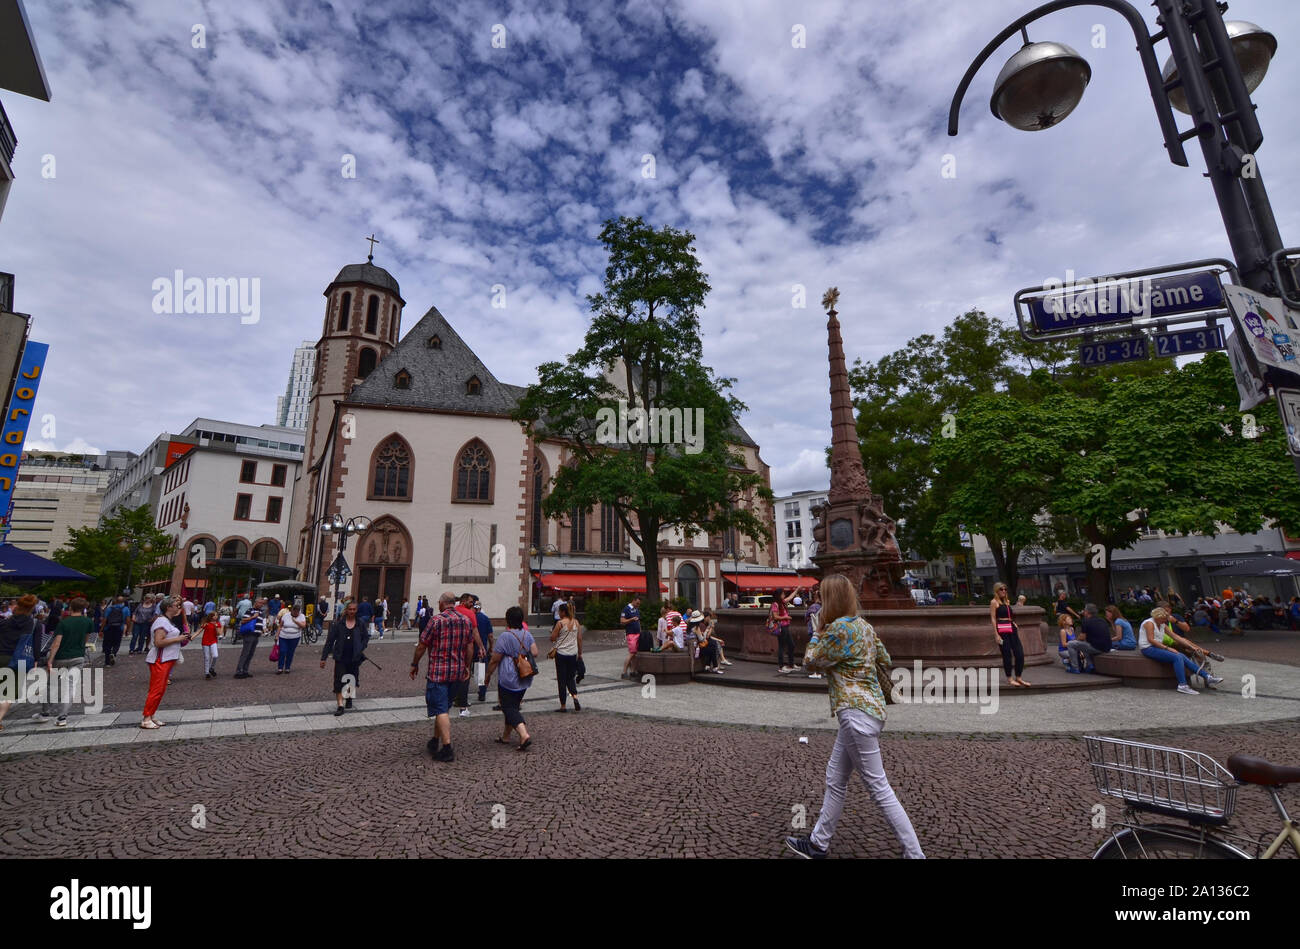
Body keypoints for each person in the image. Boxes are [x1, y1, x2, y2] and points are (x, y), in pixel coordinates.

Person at [784, 573, 924, 859]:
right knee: (835, 778)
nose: (819, 601)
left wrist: (816, 632)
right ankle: (818, 843)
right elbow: (885, 658)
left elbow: (810, 660)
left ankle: (914, 854)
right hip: (871, 710)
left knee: (878, 786)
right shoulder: (864, 626)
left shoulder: (836, 630)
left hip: (854, 713)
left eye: (822, 596)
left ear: (830, 599)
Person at [410, 592, 475, 761]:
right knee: (444, 708)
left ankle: (447, 748)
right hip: (457, 671)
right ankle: (435, 740)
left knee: (440, 708)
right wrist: (467, 666)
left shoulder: (436, 621)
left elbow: (422, 646)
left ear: (442, 604)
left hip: (438, 672)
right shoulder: (465, 620)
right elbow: (469, 648)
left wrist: (415, 664)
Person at [486, 606, 536, 751]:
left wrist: (488, 675)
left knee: (508, 707)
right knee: (513, 705)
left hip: (509, 676)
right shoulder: (527, 634)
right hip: (524, 676)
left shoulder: (505, 636)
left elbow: (495, 659)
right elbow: (535, 652)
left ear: (508, 620)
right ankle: (506, 736)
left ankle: (523, 734)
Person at [1138, 607, 1222, 694]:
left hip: (1157, 647)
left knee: (1181, 656)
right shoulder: (1149, 623)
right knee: (1177, 657)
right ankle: (1182, 685)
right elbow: (1151, 640)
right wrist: (1168, 648)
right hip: (1148, 648)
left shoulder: (1162, 624)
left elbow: (1175, 637)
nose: (1164, 621)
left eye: (1165, 619)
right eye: (1162, 619)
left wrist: (1191, 647)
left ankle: (1207, 677)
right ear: (1156, 617)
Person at [141, 596, 191, 728]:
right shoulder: (162, 622)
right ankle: (146, 718)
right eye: (176, 605)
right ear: (169, 607)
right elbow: (158, 642)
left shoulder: (167, 621)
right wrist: (178, 638)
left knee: (160, 689)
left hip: (166, 659)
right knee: (156, 689)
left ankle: (151, 715)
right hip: (160, 659)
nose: (178, 608)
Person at [321, 600, 371, 716]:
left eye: (354, 609)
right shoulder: (338, 624)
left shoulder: (360, 623)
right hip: (341, 656)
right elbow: (330, 641)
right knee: (339, 680)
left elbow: (365, 637)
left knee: (351, 679)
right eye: (350, 609)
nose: (352, 612)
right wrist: (323, 658)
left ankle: (349, 697)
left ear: (356, 610)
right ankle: (340, 705)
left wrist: (361, 647)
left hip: (354, 657)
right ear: (346, 610)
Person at [0, 594, 38, 730]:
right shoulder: (32, 624)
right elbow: (35, 645)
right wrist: (36, 661)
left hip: (1, 656)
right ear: (32, 608)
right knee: (8, 693)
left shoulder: (5, 622)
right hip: (18, 660)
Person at [990, 582, 1030, 687]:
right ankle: (1009, 678)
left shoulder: (1007, 601)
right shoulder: (994, 602)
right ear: (996, 591)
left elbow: (1009, 615)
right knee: (1006, 654)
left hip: (1011, 628)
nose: (1003, 591)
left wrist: (1013, 622)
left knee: (1019, 653)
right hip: (1002, 629)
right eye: (1001, 589)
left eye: (1005, 589)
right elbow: (993, 619)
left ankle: (1019, 677)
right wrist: (996, 634)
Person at [550, 602, 582, 712]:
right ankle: (575, 697)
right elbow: (579, 639)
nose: (558, 613)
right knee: (570, 678)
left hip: (561, 654)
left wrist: (557, 635)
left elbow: (552, 638)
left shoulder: (560, 623)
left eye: (559, 611)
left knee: (561, 680)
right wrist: (580, 653)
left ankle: (563, 705)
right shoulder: (576, 623)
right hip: (573, 654)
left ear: (563, 612)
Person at [1066, 603, 1112, 673]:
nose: (1083, 612)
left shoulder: (1086, 621)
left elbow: (1082, 637)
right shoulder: (1102, 620)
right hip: (1107, 647)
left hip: (1096, 648)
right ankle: (1090, 665)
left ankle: (1075, 668)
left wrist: (1075, 640)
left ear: (1087, 612)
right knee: (1084, 645)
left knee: (1071, 644)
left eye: (1084, 610)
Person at [233, 599, 266, 678]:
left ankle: (245, 670)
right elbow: (243, 620)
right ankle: (239, 671)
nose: (261, 604)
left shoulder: (261, 612)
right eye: (260, 603)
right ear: (256, 603)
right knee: (245, 653)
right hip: (249, 634)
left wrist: (262, 630)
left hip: (256, 635)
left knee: (250, 654)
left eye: (262, 603)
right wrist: (253, 617)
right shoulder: (250, 610)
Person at [276, 600, 307, 674]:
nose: (295, 614)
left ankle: (287, 667)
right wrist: (277, 635)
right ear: (292, 611)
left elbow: (303, 626)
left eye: (297, 612)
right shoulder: (286, 615)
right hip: (283, 636)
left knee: (290, 652)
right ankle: (280, 668)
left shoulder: (301, 616)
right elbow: (280, 626)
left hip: (294, 637)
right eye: (294, 612)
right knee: (282, 651)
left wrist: (295, 621)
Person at [769, 594, 796, 673]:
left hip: (785, 627)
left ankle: (790, 665)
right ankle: (781, 666)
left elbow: (790, 597)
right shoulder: (775, 604)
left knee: (791, 645)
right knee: (782, 646)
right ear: (779, 595)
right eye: (783, 594)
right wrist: (786, 617)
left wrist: (797, 589)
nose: (784, 595)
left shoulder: (782, 602)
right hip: (781, 627)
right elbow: (775, 617)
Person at [100, 595, 130, 666]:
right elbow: (128, 620)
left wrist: (101, 630)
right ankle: (113, 653)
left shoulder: (109, 608)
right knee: (117, 643)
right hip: (119, 628)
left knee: (108, 644)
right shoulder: (126, 609)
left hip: (109, 628)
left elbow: (105, 620)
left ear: (116, 601)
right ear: (123, 602)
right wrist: (127, 630)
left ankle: (107, 662)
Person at [619, 593, 642, 679]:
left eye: (639, 604)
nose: (638, 605)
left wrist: (640, 631)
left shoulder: (636, 609)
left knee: (635, 653)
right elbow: (622, 621)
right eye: (637, 603)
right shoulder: (626, 609)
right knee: (632, 653)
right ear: (633, 600)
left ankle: (633, 671)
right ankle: (624, 672)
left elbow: (638, 621)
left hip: (637, 633)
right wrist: (631, 619)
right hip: (631, 634)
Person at [805, 589, 823, 678]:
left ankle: (816, 672)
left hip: (815, 631)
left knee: (814, 653)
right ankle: (823, 670)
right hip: (824, 631)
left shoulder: (813, 607)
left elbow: (807, 617)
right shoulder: (824, 606)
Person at [200, 611, 220, 678]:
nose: (216, 616)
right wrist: (192, 637)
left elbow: (218, 634)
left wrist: (216, 626)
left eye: (216, 615)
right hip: (205, 641)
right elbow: (200, 630)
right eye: (214, 615)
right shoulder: (206, 623)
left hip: (213, 641)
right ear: (211, 616)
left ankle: (211, 668)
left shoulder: (217, 624)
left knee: (215, 655)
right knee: (207, 657)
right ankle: (207, 673)